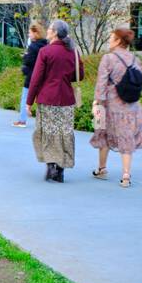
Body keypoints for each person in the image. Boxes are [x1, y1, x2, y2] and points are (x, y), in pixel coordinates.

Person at [90, 27, 142, 188]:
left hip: (111, 103)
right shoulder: (135, 59)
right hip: (131, 104)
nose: (109, 40)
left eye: (111, 38)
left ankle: (102, 168)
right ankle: (126, 174)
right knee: (126, 137)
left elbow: (101, 83)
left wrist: (97, 102)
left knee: (102, 133)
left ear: (118, 41)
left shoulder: (108, 58)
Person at [25, 19, 84, 182]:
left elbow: (36, 79)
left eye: (50, 29)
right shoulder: (73, 52)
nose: (48, 31)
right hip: (66, 98)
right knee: (64, 132)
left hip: (47, 98)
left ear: (56, 33)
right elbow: (80, 75)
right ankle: (61, 168)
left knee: (48, 132)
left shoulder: (45, 52)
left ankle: (50, 165)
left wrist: (29, 101)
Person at [12, 21, 47, 128]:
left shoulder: (33, 47)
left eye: (30, 32)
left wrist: (25, 56)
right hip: (43, 77)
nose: (29, 34)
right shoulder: (46, 45)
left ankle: (22, 121)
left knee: (25, 98)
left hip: (31, 76)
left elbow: (29, 61)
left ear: (36, 33)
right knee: (42, 100)